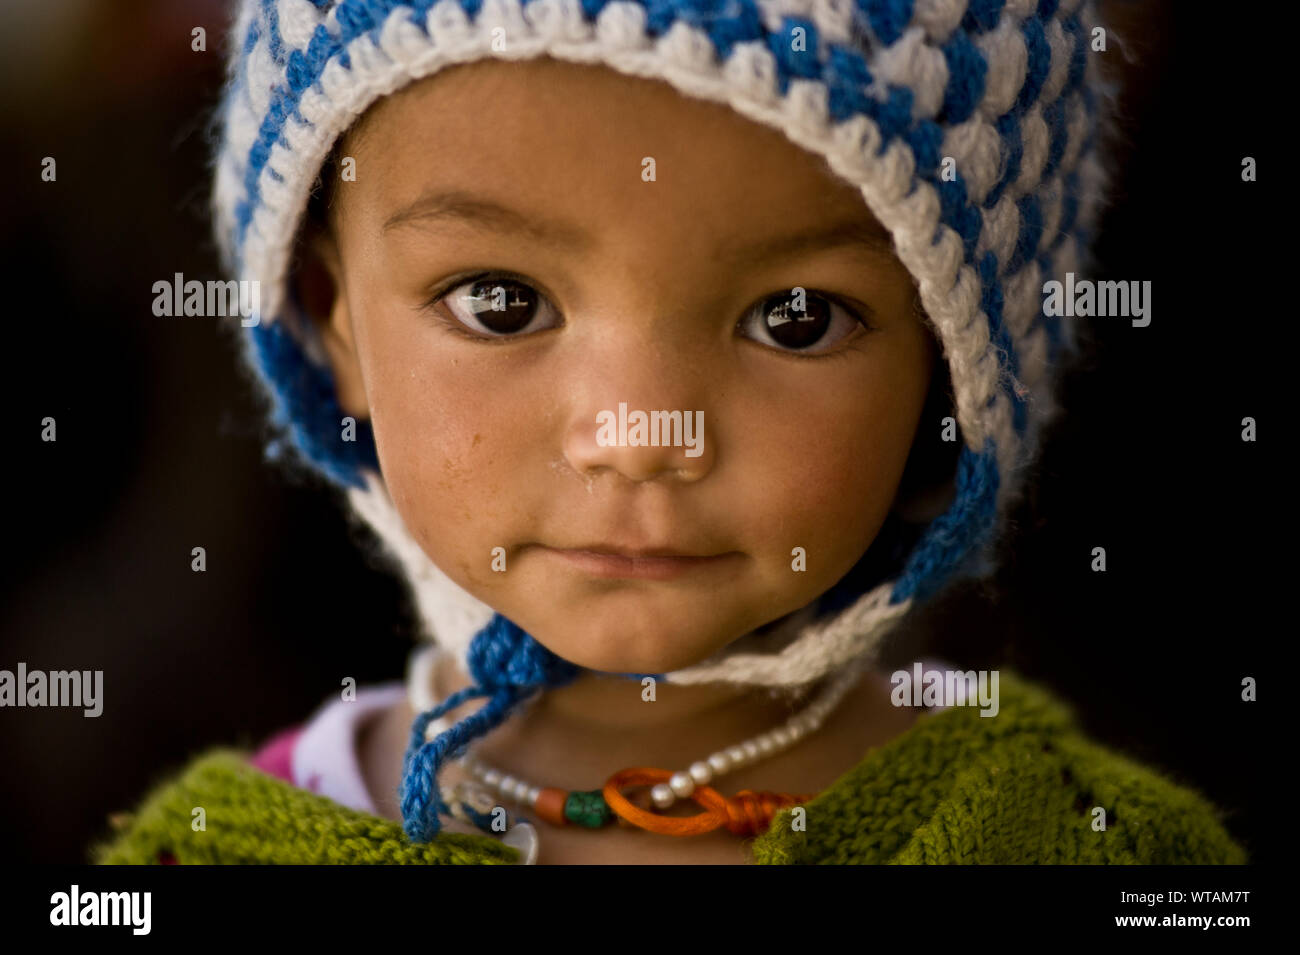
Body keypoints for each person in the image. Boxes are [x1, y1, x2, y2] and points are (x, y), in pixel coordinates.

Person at [94, 0, 1245, 864]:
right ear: (327, 321)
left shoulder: (1085, 849)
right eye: (500, 301)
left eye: (795, 321)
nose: (637, 434)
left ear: (957, 375)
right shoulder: (206, 853)